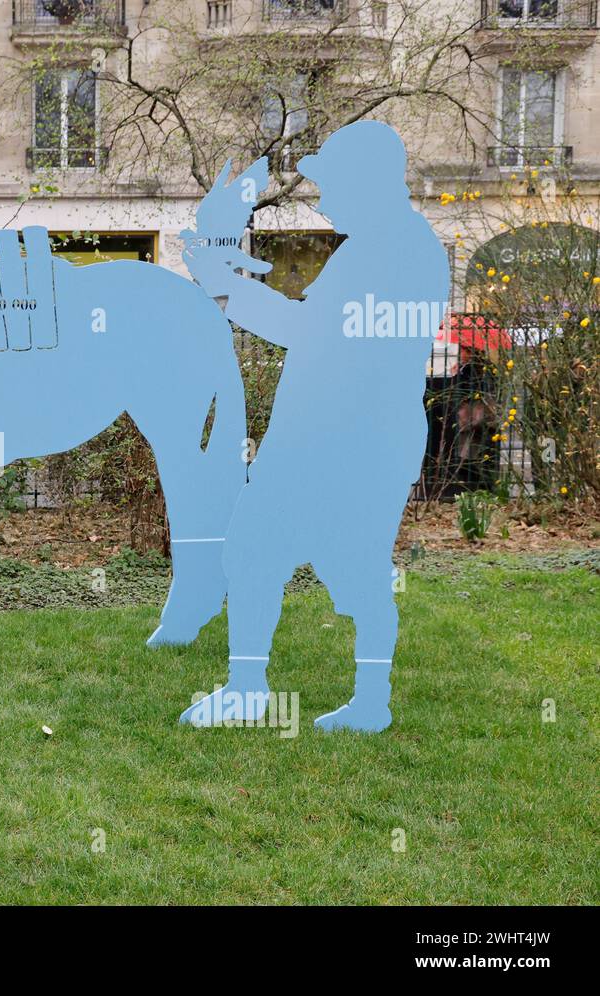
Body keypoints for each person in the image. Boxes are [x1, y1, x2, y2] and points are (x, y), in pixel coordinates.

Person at [182, 121, 450, 732]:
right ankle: (270, 691)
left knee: (341, 567)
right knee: (260, 551)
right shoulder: (383, 244)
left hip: (347, 444)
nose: (321, 196)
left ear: (368, 182)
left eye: (331, 183)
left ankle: (347, 702)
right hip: (337, 439)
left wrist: (228, 290)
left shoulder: (399, 251)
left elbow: (314, 335)